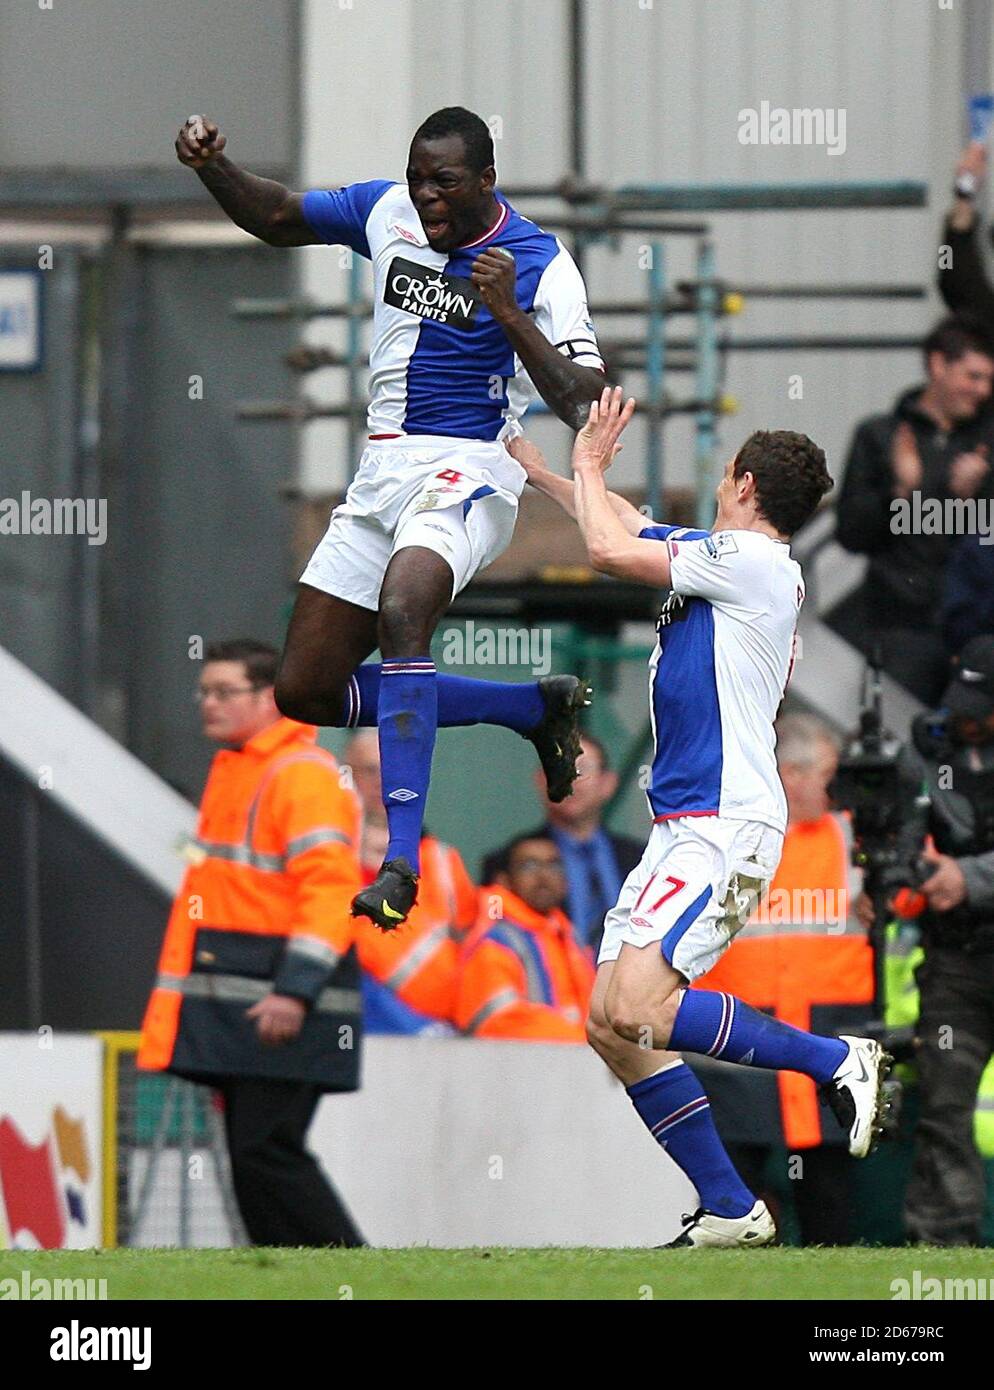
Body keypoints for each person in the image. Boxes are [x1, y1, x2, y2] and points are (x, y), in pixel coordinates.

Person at [175, 106, 606, 929]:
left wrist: (511, 315)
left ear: (486, 180)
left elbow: (587, 405)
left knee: (404, 609)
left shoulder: (541, 264)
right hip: (381, 476)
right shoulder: (389, 214)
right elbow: (275, 215)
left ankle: (400, 857)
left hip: (470, 469)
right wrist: (211, 165)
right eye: (417, 179)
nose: (427, 197)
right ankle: (531, 709)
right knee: (302, 690)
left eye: (445, 182)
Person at [515, 386, 891, 1249]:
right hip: (685, 823)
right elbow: (630, 522)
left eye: (726, 477)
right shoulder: (730, 557)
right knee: (610, 1020)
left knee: (644, 1005)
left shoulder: (754, 564)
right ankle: (730, 1205)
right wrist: (545, 473)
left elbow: (611, 551)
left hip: (728, 823)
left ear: (746, 483)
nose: (719, 487)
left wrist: (585, 460)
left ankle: (838, 1061)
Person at [137, 639, 365, 1248]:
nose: (207, 704)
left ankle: (353, 1272)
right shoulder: (248, 770)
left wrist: (294, 990)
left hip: (284, 1005)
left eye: (223, 692)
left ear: (269, 697)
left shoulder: (298, 775)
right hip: (256, 1006)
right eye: (203, 692)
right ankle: (301, 1278)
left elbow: (330, 890)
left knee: (266, 1152)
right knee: (257, 1157)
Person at [691, 713, 872, 1247]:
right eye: (827, 773)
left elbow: (914, 892)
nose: (836, 787)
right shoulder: (722, 840)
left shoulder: (850, 837)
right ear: (789, 774)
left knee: (829, 1204)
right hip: (733, 1053)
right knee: (731, 1200)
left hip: (824, 1046)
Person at [859, 635, 994, 1246]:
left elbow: (958, 872)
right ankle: (944, 1243)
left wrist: (967, 878)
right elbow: (906, 840)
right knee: (944, 1105)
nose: (968, 718)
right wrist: (892, 882)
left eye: (981, 706)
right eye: (962, 703)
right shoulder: (928, 750)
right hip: (957, 959)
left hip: (967, 919)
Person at [832, 315, 994, 704]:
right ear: (938, 365)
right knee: (902, 737)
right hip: (899, 628)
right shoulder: (880, 436)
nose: (982, 390)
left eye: (989, 380)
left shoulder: (987, 445)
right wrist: (901, 493)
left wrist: (970, 498)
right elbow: (851, 532)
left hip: (976, 630)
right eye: (973, 377)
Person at [344, 729, 477, 1032]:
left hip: (443, 1033)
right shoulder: (332, 857)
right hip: (358, 1027)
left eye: (393, 769)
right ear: (348, 777)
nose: (382, 780)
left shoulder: (443, 861)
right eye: (369, 770)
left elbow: (473, 949)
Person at [481, 733, 643, 950]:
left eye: (582, 770)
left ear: (608, 783)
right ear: (540, 780)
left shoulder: (643, 860)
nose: (570, 780)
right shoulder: (507, 864)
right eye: (558, 768)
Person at [456, 835, 594, 1040]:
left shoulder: (571, 939)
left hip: (575, 1064)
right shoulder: (496, 939)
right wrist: (588, 1043)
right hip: (516, 1067)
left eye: (554, 865)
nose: (544, 876)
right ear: (504, 880)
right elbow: (499, 1021)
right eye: (529, 866)